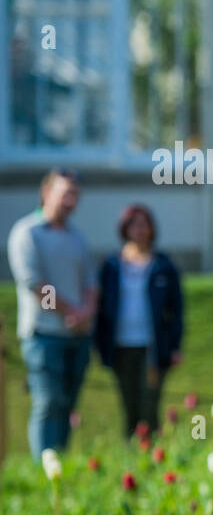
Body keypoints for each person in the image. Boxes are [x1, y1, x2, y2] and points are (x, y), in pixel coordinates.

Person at [6, 169, 98, 457]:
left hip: (77, 335)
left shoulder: (77, 237)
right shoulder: (27, 232)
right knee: (48, 403)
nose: (71, 201)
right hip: (43, 335)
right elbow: (34, 284)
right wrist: (70, 311)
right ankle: (44, 468)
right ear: (46, 193)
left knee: (67, 404)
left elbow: (91, 284)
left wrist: (85, 313)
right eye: (66, 193)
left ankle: (61, 463)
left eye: (75, 195)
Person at [94, 204, 184, 439]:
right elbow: (101, 306)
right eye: (133, 225)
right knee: (129, 404)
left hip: (152, 347)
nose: (139, 230)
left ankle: (151, 456)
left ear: (151, 229)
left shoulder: (163, 265)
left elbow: (176, 309)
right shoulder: (112, 265)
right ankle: (130, 459)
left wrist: (175, 346)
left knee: (149, 405)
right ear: (125, 229)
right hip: (121, 345)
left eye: (143, 225)